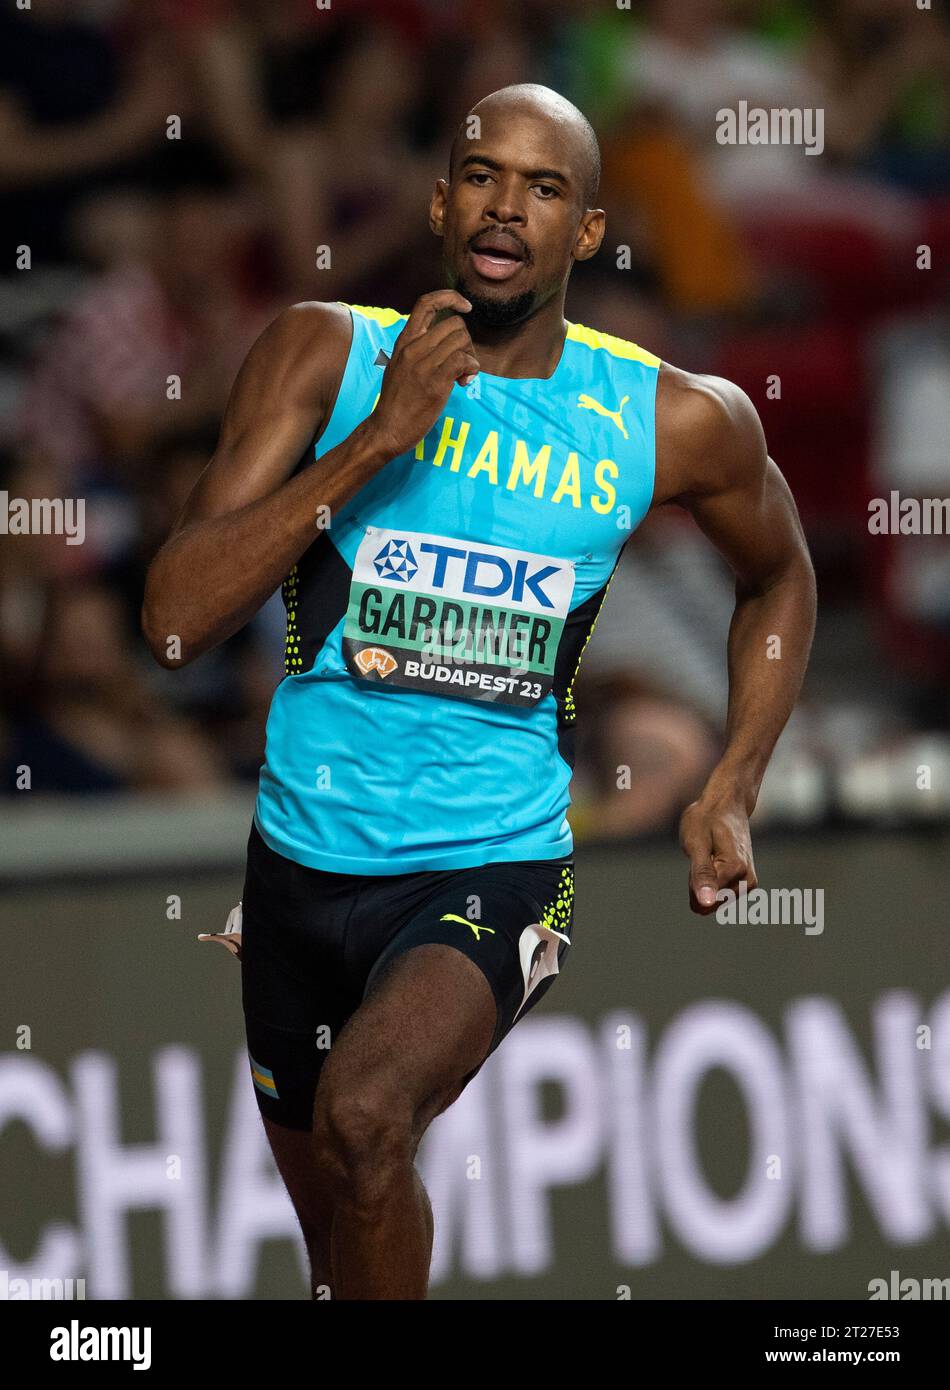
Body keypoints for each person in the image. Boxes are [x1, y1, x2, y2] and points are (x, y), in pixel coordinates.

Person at [142, 83, 816, 1299]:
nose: (508, 207)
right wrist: (375, 441)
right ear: (440, 200)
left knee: (364, 1117)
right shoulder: (324, 352)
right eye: (485, 176)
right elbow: (177, 617)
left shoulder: (667, 418)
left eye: (544, 187)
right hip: (297, 867)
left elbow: (778, 577)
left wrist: (734, 779)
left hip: (488, 861)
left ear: (588, 231)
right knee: (338, 1248)